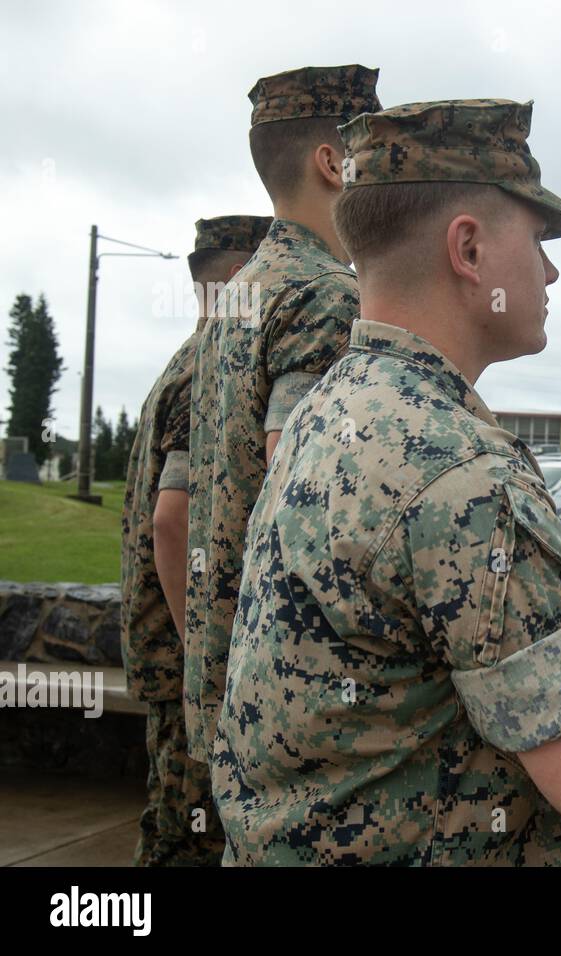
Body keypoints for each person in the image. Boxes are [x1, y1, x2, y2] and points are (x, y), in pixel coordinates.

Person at [209, 98, 561, 865]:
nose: (551, 269)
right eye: (537, 239)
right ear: (469, 250)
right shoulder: (465, 473)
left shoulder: (330, 410)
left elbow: (459, 628)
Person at [185, 65, 380, 763]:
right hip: (298, 696)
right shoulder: (325, 294)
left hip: (228, 676)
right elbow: (306, 487)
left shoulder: (241, 294)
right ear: (332, 163)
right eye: (373, 157)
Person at [120, 214, 271, 865]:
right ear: (241, 278)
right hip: (189, 669)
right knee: (189, 841)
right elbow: (172, 521)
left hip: (174, 664)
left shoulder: (185, 362)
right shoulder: (202, 372)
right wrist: (208, 662)